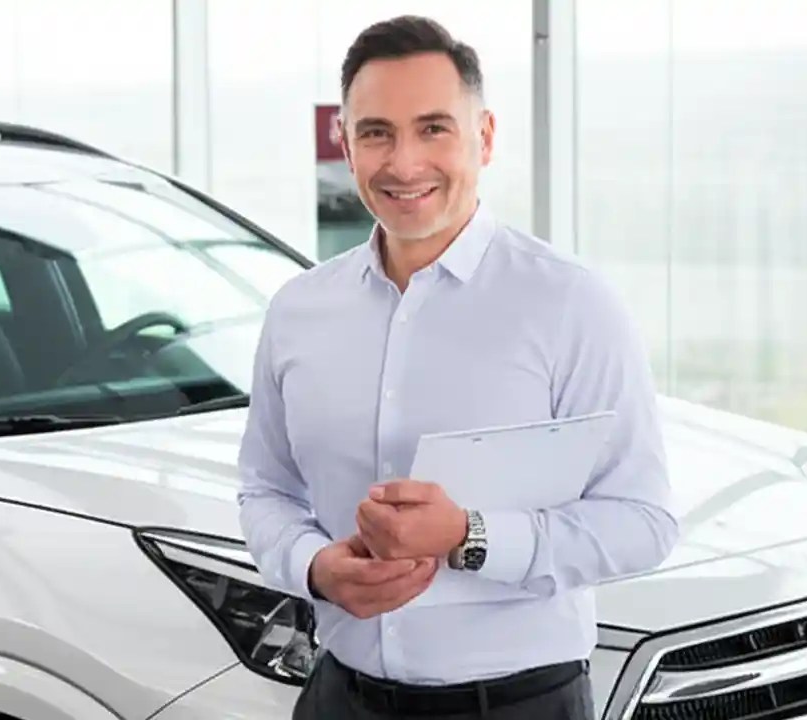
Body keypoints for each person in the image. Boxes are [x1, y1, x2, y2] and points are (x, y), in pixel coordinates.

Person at [237, 15, 678, 720]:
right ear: (344, 143)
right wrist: (314, 569)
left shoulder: (570, 302)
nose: (404, 163)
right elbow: (265, 488)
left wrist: (469, 536)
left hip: (517, 706)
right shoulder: (298, 310)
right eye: (376, 132)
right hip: (338, 699)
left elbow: (643, 520)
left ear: (486, 137)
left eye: (434, 128)